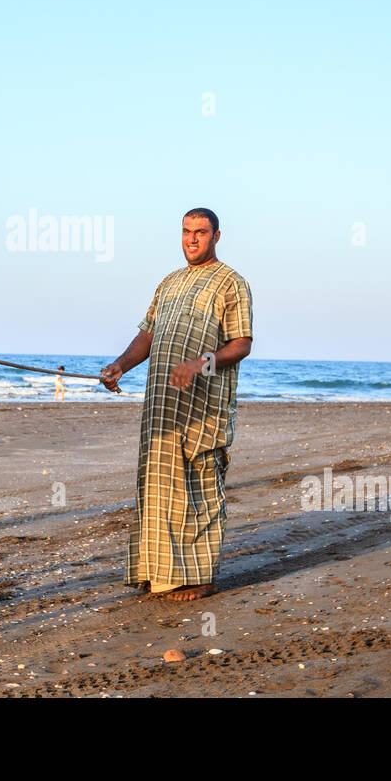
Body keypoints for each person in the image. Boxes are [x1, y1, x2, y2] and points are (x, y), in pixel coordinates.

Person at [100, 208, 253, 601]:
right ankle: (159, 573)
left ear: (216, 236)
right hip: (162, 408)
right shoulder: (168, 284)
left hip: (204, 408)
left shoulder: (231, 284)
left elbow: (242, 343)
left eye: (201, 232)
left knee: (199, 483)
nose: (192, 239)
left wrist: (201, 364)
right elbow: (147, 334)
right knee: (158, 485)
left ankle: (199, 577)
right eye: (186, 231)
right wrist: (120, 365)